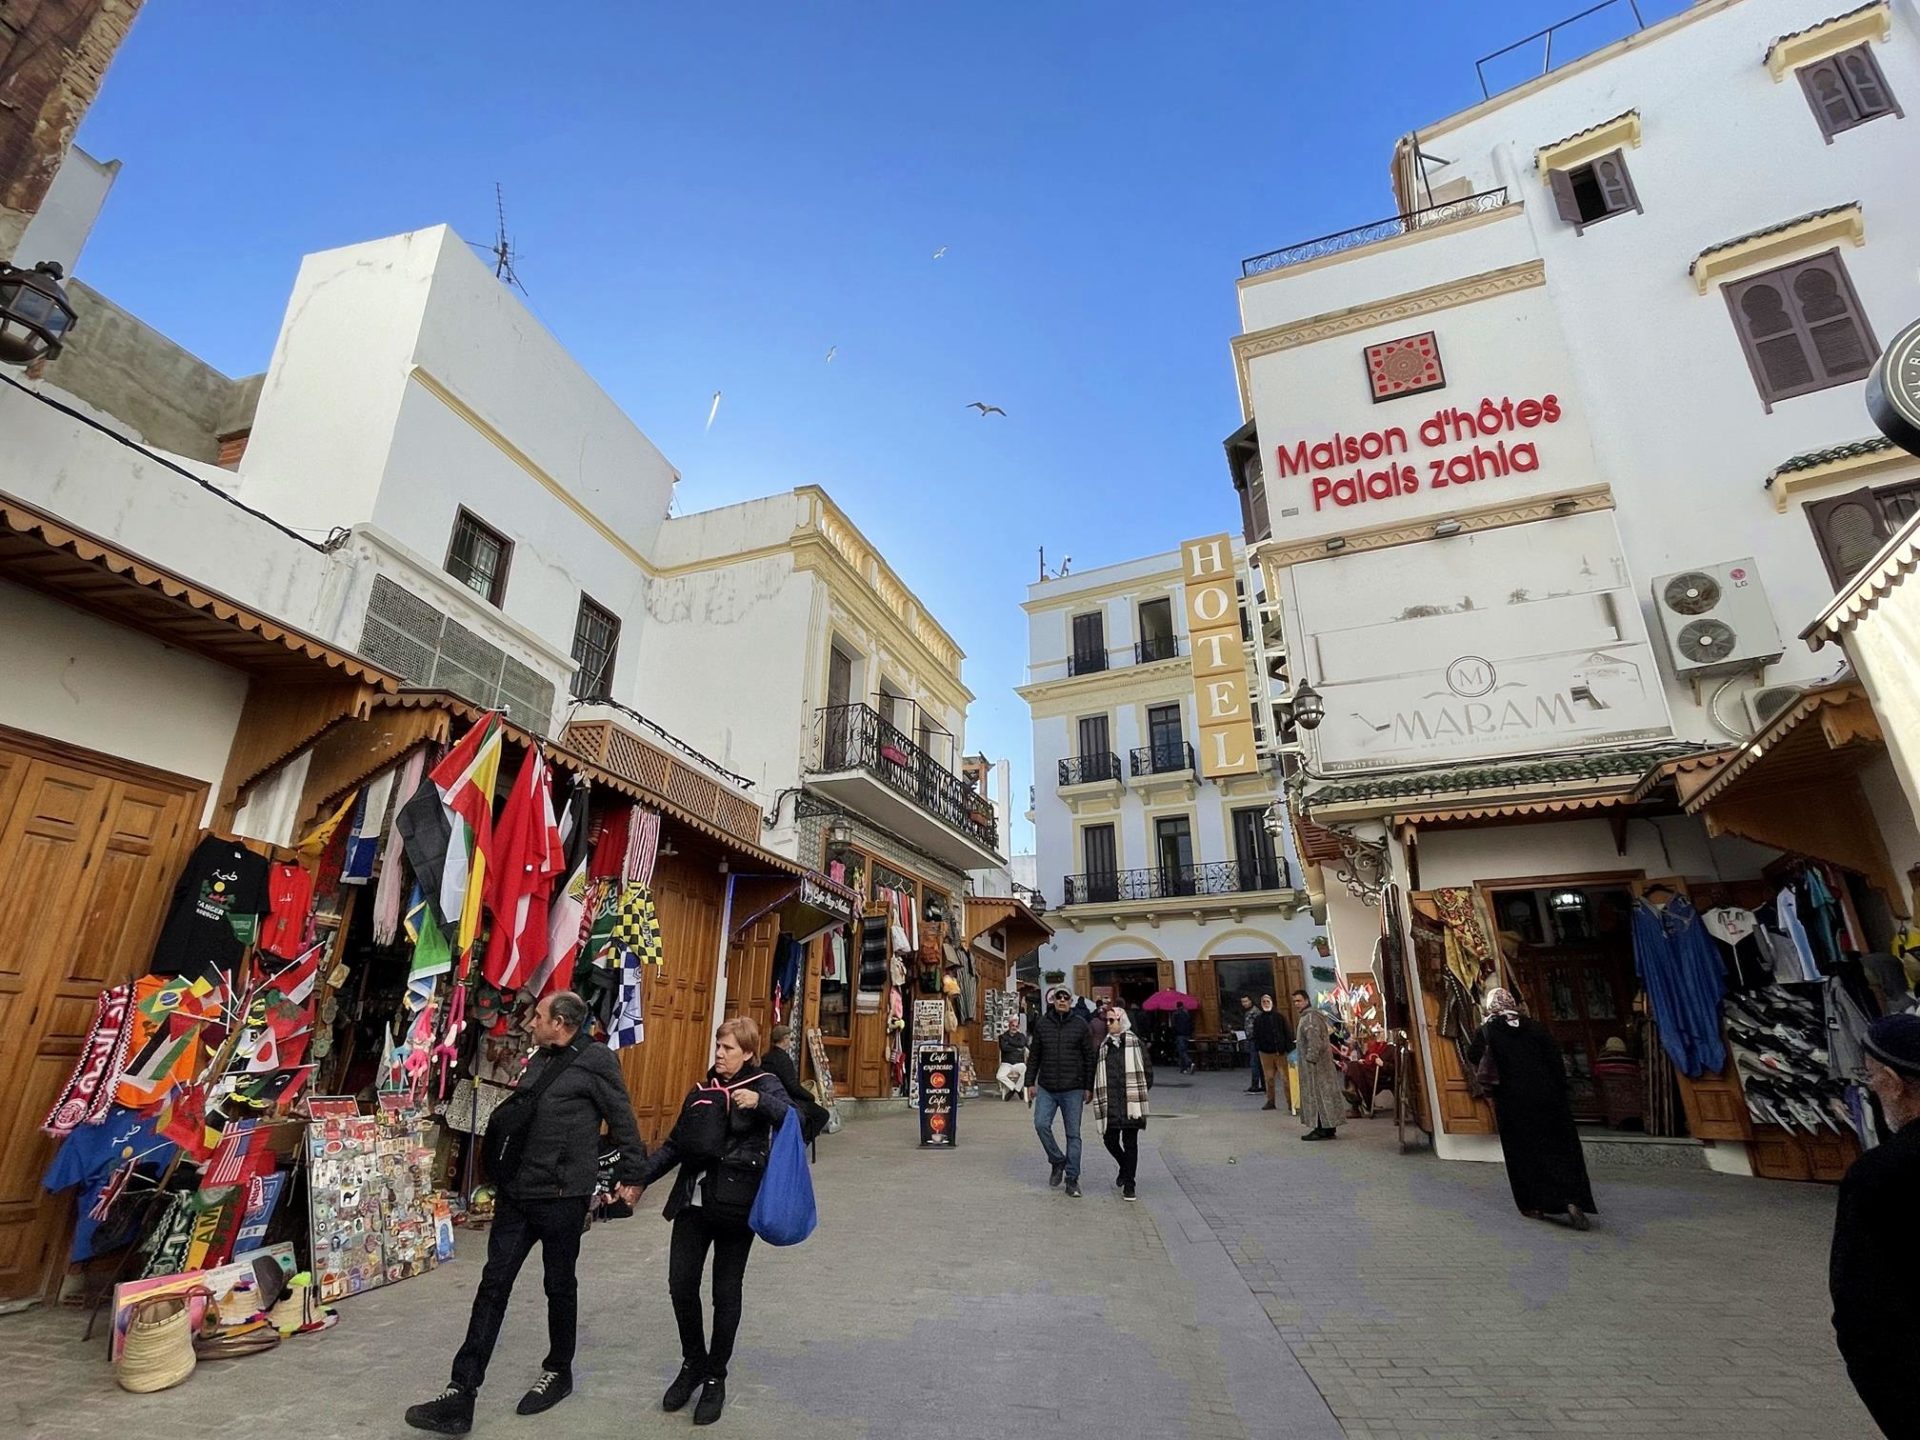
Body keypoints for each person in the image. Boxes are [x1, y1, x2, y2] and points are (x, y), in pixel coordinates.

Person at [405, 991, 647, 1435]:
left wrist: (633, 1179)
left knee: (559, 1285)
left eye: (538, 1016)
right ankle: (461, 1392)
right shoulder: (541, 1056)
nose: (529, 1022)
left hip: (561, 1197)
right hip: (519, 1193)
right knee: (493, 1285)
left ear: (560, 1022)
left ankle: (559, 1369)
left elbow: (623, 1117)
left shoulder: (596, 1060)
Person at [633, 1016, 790, 1427]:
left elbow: (799, 1118)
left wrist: (761, 1103)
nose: (719, 1055)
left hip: (738, 1206)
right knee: (680, 1284)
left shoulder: (764, 1084)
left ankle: (715, 1377)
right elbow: (673, 1146)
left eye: (729, 1049)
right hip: (692, 1203)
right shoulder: (701, 1090)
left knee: (726, 1292)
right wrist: (638, 1182)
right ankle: (693, 1364)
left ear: (749, 1053)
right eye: (718, 1047)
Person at [1830, 1014, 1920, 1438]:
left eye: (1870, 1077)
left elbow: (1863, 1314)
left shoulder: (1880, 1175)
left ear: (1893, 1080)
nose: (1870, 1089)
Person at [1467, 988, 1596, 1230]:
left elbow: (1473, 1055)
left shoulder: (1488, 1031)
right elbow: (1556, 1061)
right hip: (1550, 1099)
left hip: (1513, 1102)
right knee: (1560, 1149)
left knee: (1523, 1153)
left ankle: (1534, 1204)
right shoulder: (1536, 1027)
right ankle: (1571, 1199)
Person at [1026, 986, 1096, 1198]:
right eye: (1059, 997)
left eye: (1066, 997)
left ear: (1071, 1001)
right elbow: (1035, 1055)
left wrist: (1088, 1087)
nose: (1062, 1000)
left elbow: (1089, 1058)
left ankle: (1072, 1179)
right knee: (1040, 1124)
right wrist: (1030, 1083)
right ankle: (1057, 1160)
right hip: (1047, 1086)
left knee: (1073, 1135)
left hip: (1073, 1088)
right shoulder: (1043, 1024)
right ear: (1053, 1000)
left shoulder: (1081, 1025)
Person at [1093, 1004, 1152, 1199]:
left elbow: (1147, 1072)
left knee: (1130, 1143)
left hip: (1131, 1103)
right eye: (1107, 1021)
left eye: (1112, 1020)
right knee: (1109, 1139)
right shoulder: (1104, 1047)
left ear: (1121, 1021)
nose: (1108, 1024)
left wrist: (1138, 1092)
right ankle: (1124, 1167)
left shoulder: (1135, 1043)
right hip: (1111, 1103)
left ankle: (1130, 1184)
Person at [761, 1024, 831, 1143]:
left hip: (770, 1097)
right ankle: (800, 1142)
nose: (790, 1042)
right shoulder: (783, 1059)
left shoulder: (766, 1057)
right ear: (784, 1039)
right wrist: (810, 1096)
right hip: (786, 1100)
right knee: (822, 1115)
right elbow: (792, 1087)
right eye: (790, 1038)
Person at [1292, 990, 1344, 1141]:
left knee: (1317, 1096)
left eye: (1299, 1001)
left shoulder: (1310, 1018)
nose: (1296, 1004)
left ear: (1307, 1000)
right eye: (1295, 1001)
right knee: (1324, 1095)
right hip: (1321, 1064)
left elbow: (1314, 1041)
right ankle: (1328, 1127)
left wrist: (1310, 1060)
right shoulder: (1310, 1016)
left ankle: (1321, 1128)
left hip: (1315, 1066)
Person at [1251, 994, 1294, 1110]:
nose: (1266, 1003)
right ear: (1261, 1004)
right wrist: (1259, 1048)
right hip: (1265, 1054)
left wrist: (1289, 1050)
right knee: (1269, 1079)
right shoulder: (1258, 1019)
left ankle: (1291, 1103)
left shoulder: (1280, 1017)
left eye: (1268, 1001)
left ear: (1272, 1002)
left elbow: (1287, 1033)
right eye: (1263, 1001)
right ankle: (1270, 1101)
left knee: (1286, 1079)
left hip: (1281, 1053)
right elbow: (1255, 1035)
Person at [996, 1017, 1030, 1101]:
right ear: (1009, 1026)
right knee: (999, 1076)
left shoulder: (1021, 1036)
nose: (1014, 1028)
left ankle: (1015, 1090)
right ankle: (1014, 1088)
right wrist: (1016, 1048)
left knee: (1026, 1072)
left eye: (1016, 1026)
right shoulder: (1003, 1036)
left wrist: (1009, 1042)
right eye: (1012, 1026)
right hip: (1006, 1063)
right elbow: (1004, 1048)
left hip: (1019, 1062)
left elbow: (1022, 1044)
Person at [1238, 996, 1262, 1092]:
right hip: (1251, 1039)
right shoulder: (1248, 1012)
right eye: (1242, 1002)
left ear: (1251, 1001)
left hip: (1255, 1040)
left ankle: (1255, 1085)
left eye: (1246, 1001)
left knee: (1255, 1063)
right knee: (1256, 1063)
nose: (1244, 1003)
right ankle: (1259, 1084)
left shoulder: (1255, 1012)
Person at [1170, 1001, 1195, 1075]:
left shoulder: (1175, 1014)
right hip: (1187, 1035)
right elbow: (1191, 1024)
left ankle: (1189, 1063)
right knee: (1184, 1051)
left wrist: (1174, 1033)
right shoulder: (1187, 1014)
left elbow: (1173, 1025)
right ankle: (1183, 1068)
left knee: (1182, 1051)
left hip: (1179, 1034)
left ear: (1177, 1006)